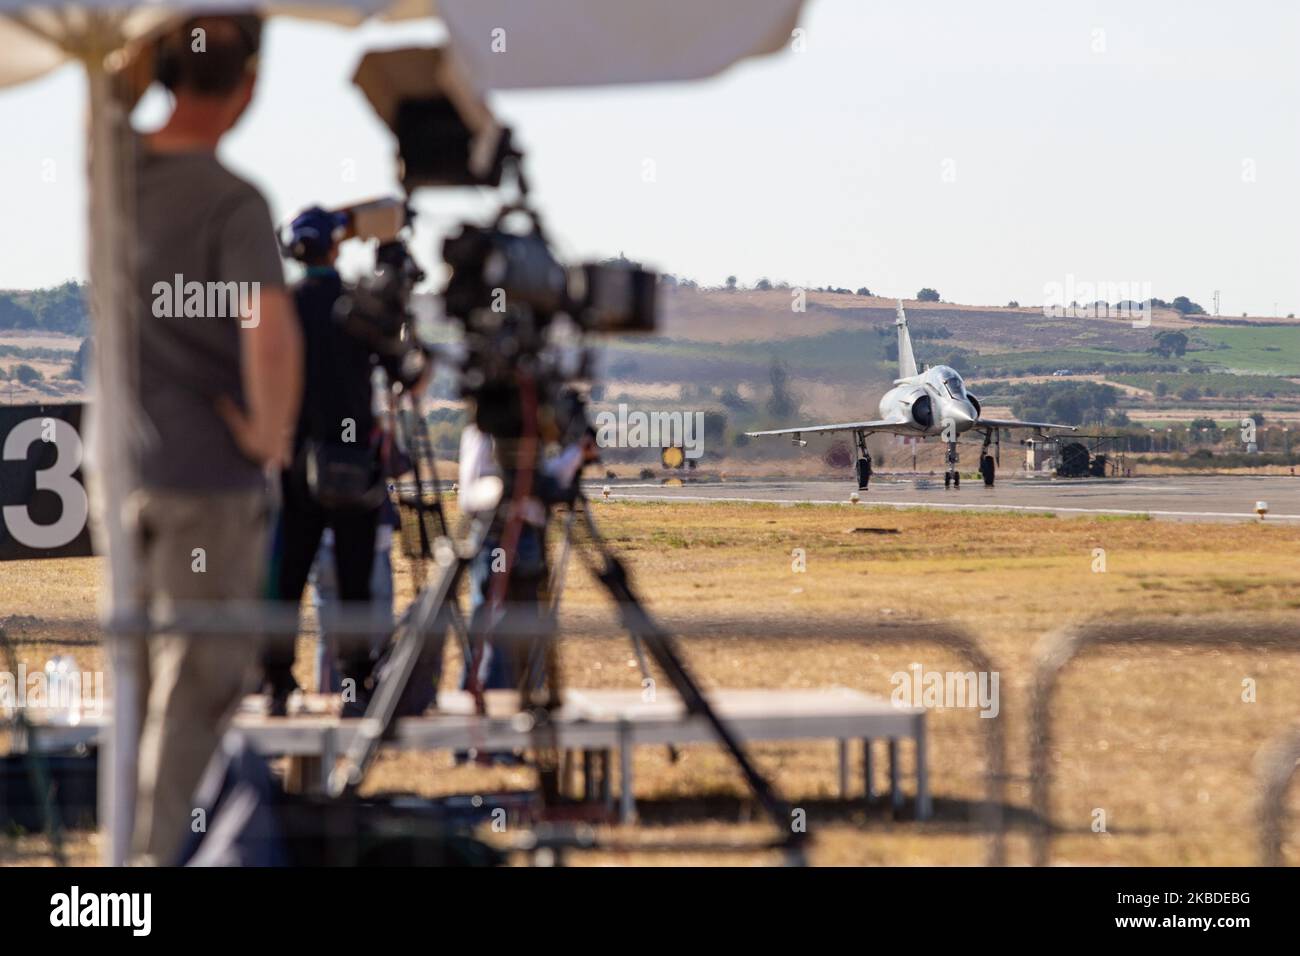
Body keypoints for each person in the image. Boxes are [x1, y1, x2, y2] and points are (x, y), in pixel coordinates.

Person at [128, 13, 302, 865]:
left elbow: (111, 99)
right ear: (250, 85)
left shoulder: (116, 172)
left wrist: (151, 49)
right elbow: (266, 329)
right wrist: (270, 434)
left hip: (130, 470)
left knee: (141, 679)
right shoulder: (235, 201)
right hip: (210, 481)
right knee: (195, 692)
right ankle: (152, 873)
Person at [262, 206, 388, 715]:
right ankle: (356, 681)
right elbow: (404, 367)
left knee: (287, 575)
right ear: (335, 248)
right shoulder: (358, 304)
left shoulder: (285, 305)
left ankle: (276, 682)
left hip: (296, 461)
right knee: (355, 578)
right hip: (353, 461)